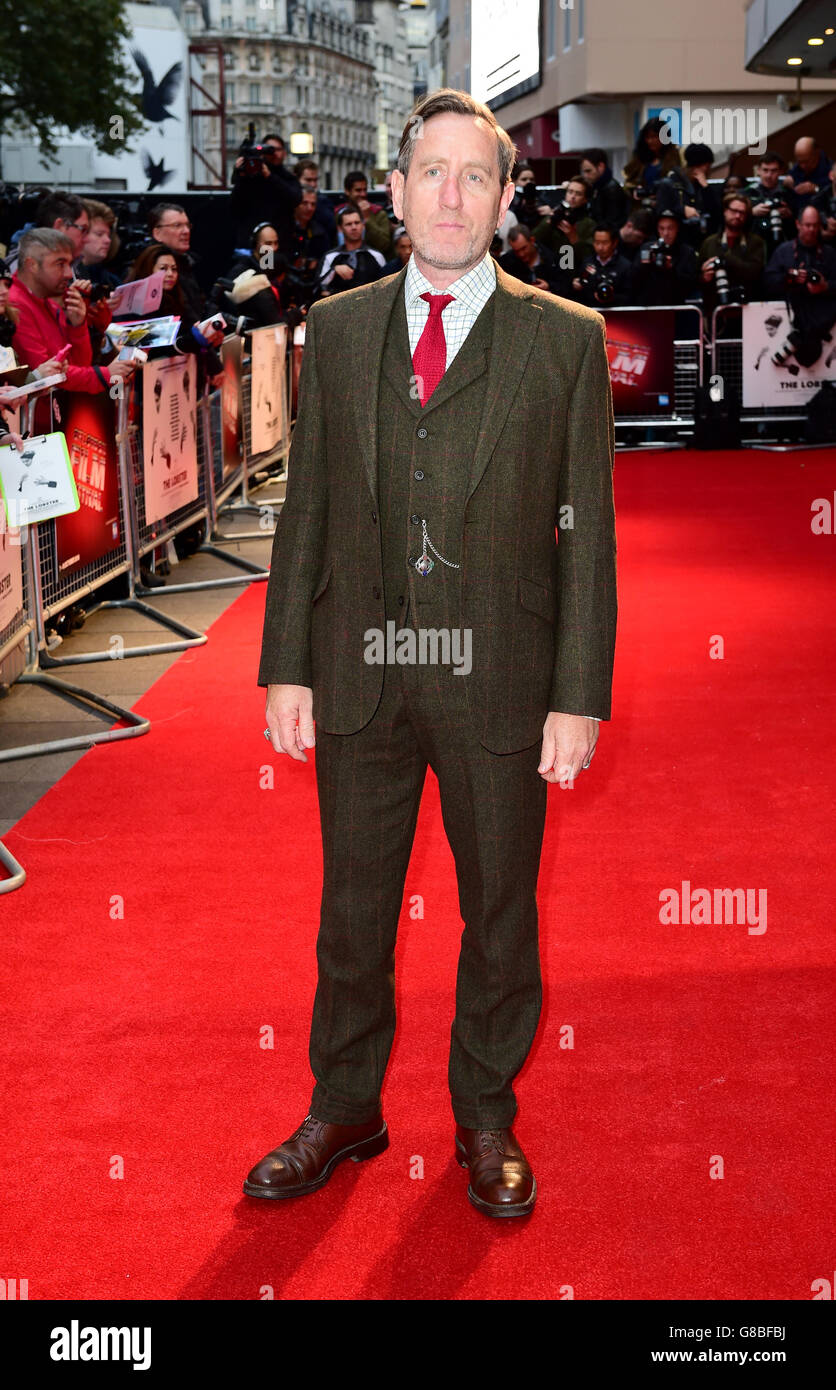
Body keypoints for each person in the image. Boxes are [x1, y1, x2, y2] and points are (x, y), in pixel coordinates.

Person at [248, 87, 616, 1218]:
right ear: (394, 190)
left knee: (498, 909)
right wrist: (285, 663)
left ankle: (485, 1116)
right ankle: (343, 1104)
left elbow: (586, 536)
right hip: (358, 667)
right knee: (351, 910)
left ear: (505, 200)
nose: (449, 195)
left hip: (501, 675)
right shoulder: (344, 326)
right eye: (430, 173)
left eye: (474, 176)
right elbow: (304, 506)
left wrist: (577, 697)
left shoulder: (564, 340)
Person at [8, 229, 134, 395]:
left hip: (58, 413)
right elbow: (47, 375)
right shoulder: (14, 303)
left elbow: (81, 364)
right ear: (32, 265)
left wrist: (78, 324)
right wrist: (105, 375)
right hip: (38, 416)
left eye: (70, 264)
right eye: (60, 264)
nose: (69, 274)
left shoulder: (49, 300)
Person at [763, 204, 836, 367]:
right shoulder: (784, 251)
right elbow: (767, 283)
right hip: (788, 322)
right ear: (798, 224)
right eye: (807, 225)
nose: (811, 230)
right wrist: (790, 279)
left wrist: (825, 287)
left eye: (815, 225)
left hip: (822, 323)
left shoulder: (829, 253)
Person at [230, 132, 303, 252]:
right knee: (259, 269)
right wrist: (241, 175)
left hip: (279, 243)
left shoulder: (287, 177)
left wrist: (270, 176)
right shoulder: (251, 177)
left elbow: (295, 198)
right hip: (252, 243)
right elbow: (234, 205)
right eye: (269, 150)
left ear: (284, 153)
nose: (274, 154)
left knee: (268, 268)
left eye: (277, 149)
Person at [698, 193, 766, 320]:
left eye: (742, 213)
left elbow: (755, 273)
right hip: (716, 310)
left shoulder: (755, 242)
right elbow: (696, 278)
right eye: (734, 211)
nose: (737, 216)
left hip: (748, 310)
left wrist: (726, 258)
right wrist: (704, 277)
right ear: (725, 211)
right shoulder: (710, 243)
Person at [653, 143, 720, 247]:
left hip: (700, 241)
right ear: (703, 166)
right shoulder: (669, 184)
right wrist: (682, 210)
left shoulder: (702, 186)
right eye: (708, 166)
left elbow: (716, 213)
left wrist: (706, 188)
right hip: (678, 243)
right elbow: (661, 212)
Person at [147, 204, 205, 321]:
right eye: (177, 225)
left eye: (187, 225)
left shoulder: (190, 264)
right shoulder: (145, 270)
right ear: (157, 233)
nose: (186, 231)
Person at [631, 209, 699, 307]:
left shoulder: (687, 252)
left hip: (676, 307)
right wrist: (645, 265)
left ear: (677, 229)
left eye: (670, 228)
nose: (666, 233)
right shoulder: (647, 248)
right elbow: (633, 281)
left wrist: (670, 269)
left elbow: (689, 285)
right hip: (648, 306)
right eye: (661, 228)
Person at [318, 205, 387, 295]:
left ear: (363, 225)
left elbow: (387, 286)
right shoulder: (330, 256)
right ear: (340, 228)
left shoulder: (376, 255)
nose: (354, 227)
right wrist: (334, 270)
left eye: (357, 223)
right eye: (348, 224)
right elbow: (318, 286)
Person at [623, 117, 682, 207]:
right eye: (647, 137)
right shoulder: (640, 158)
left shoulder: (676, 155)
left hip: (668, 206)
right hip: (644, 206)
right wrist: (635, 189)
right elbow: (629, 180)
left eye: (654, 137)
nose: (650, 141)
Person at [571, 224, 634, 307]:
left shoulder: (625, 266)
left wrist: (612, 297)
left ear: (614, 243)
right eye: (597, 242)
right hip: (591, 311)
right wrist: (576, 286)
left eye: (605, 243)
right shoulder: (587, 263)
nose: (600, 247)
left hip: (616, 313)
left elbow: (630, 297)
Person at [334, 172, 393, 258]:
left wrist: (368, 219)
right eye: (358, 190)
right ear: (347, 191)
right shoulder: (338, 214)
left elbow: (384, 245)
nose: (363, 194)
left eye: (364, 190)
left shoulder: (379, 213)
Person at [748, 151, 797, 256]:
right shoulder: (747, 194)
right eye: (765, 170)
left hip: (784, 246)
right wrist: (751, 212)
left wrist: (789, 215)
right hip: (755, 248)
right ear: (758, 170)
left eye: (774, 171)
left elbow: (801, 222)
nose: (769, 175)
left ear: (780, 172)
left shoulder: (789, 194)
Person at [499, 223, 563, 294]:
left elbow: (565, 284)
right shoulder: (507, 261)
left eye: (524, 248)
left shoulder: (552, 257)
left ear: (532, 240)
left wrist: (549, 286)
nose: (521, 254)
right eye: (516, 251)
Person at [580, 148, 629, 226]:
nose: (586, 176)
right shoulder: (597, 187)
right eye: (584, 172)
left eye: (588, 171)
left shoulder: (611, 190)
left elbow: (612, 222)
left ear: (601, 166)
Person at [784, 137, 832, 209]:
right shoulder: (796, 169)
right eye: (799, 162)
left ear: (817, 153)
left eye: (806, 162)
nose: (803, 166)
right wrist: (786, 182)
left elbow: (832, 198)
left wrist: (816, 189)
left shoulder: (831, 170)